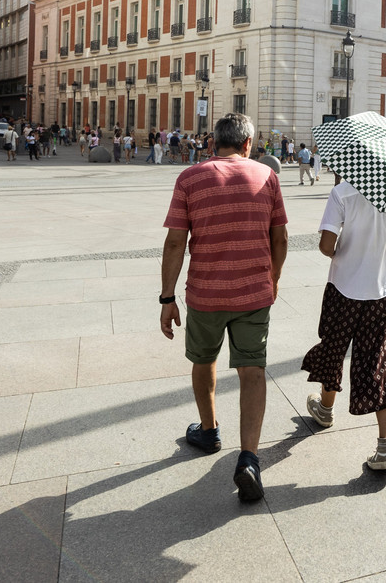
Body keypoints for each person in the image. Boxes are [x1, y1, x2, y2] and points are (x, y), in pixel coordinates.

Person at [160, 112, 288, 502]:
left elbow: (174, 243)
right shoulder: (267, 177)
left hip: (205, 294)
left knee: (204, 360)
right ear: (248, 144)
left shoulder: (190, 178)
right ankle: (248, 458)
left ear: (214, 142)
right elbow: (280, 237)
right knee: (253, 370)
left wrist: (167, 298)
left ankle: (209, 429)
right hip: (253, 293)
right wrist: (274, 278)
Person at [301, 175, 386, 471]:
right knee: (376, 358)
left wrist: (350, 238)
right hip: (382, 289)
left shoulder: (342, 193)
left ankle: (326, 410)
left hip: (343, 287)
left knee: (334, 347)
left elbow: (326, 246)